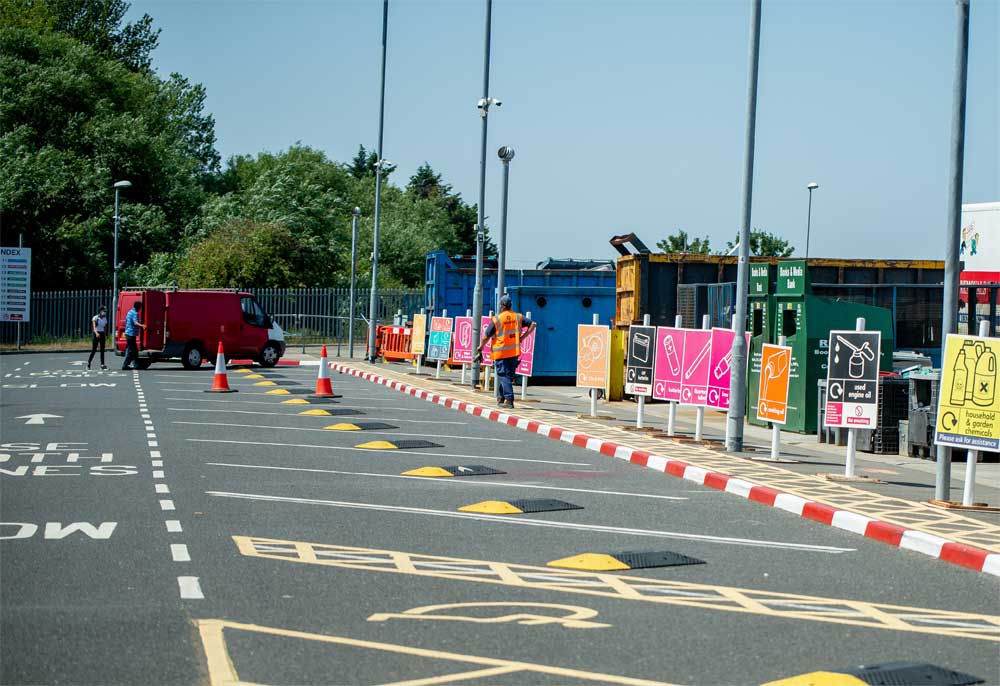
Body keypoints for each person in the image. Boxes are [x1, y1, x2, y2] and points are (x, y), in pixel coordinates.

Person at [480, 294, 536, 409]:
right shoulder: (518, 317)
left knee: (503, 375)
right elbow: (533, 324)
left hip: (501, 352)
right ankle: (501, 398)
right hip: (514, 352)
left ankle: (509, 399)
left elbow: (486, 336)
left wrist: (480, 347)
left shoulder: (497, 319)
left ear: (501, 306)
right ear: (510, 305)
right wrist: (523, 337)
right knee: (507, 376)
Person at [122, 301, 145, 370]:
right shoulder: (135, 313)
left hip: (128, 333)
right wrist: (142, 326)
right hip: (131, 334)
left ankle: (130, 364)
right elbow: (135, 322)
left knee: (131, 350)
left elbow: (126, 321)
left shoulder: (129, 312)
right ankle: (129, 365)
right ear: (138, 307)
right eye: (140, 307)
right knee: (133, 350)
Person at [87, 305, 108, 370]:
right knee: (94, 350)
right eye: (104, 311)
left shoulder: (105, 318)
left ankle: (102, 364)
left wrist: (104, 334)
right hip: (96, 334)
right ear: (100, 311)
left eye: (105, 311)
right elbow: (94, 327)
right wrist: (96, 333)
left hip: (102, 334)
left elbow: (104, 327)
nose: (104, 312)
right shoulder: (95, 318)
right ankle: (89, 363)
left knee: (102, 350)